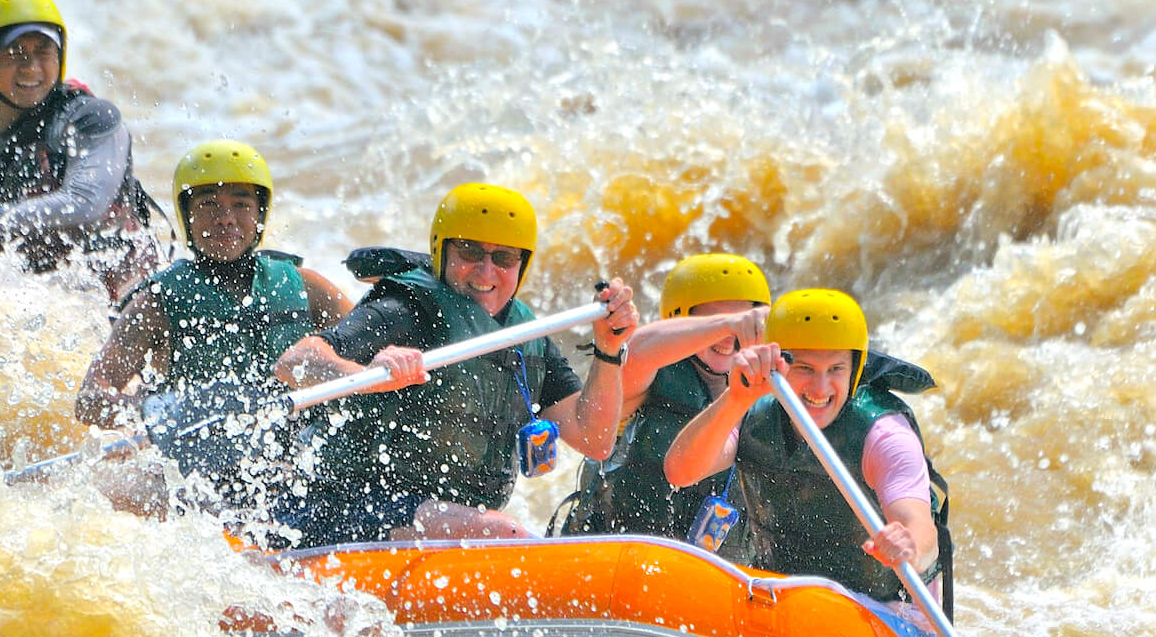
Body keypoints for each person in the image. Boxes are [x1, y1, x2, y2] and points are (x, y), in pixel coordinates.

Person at [272, 182, 638, 543]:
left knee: (498, 528)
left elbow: (595, 440)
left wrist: (608, 350)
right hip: (345, 506)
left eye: (504, 258)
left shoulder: (527, 336)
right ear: (441, 251)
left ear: (522, 265)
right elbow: (294, 362)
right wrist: (366, 376)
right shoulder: (405, 309)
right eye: (469, 252)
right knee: (503, 531)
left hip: (448, 520)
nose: (485, 272)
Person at [74, 139, 351, 520]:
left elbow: (369, 348)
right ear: (187, 216)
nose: (226, 218)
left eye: (241, 204)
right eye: (208, 205)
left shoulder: (305, 287)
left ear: (260, 215)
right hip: (199, 475)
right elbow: (90, 399)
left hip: (292, 466)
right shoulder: (157, 301)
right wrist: (153, 412)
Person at [662, 288, 950, 611]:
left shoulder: (884, 434)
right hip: (784, 597)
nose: (820, 388)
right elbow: (680, 471)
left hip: (884, 608)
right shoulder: (751, 410)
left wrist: (909, 544)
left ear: (854, 370)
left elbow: (923, 534)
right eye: (806, 369)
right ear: (778, 364)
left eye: (835, 370)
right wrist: (735, 399)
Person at [0, 0, 161, 299]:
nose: (31, 67)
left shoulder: (91, 120)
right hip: (26, 306)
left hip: (122, 302)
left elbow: (84, 203)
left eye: (44, 51)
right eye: (15, 53)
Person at [552, 253, 770, 550]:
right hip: (616, 550)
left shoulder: (766, 390)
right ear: (678, 319)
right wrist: (731, 323)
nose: (727, 339)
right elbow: (637, 349)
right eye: (714, 321)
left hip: (707, 571)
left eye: (743, 325)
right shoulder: (647, 372)